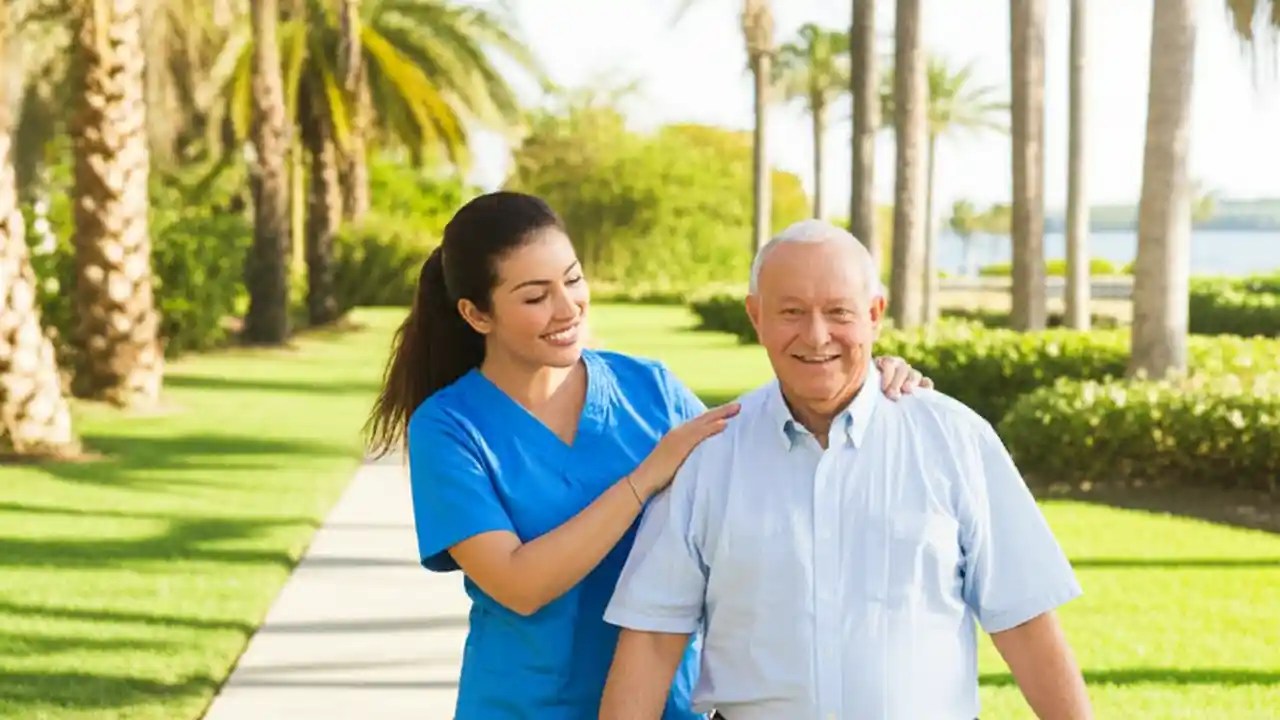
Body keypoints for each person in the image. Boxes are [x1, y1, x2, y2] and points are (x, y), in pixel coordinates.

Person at [363, 193, 935, 719]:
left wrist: (862, 385)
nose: (568, 309)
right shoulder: (450, 426)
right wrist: (644, 479)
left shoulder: (651, 388)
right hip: (521, 706)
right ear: (476, 315)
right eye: (536, 297)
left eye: (573, 281)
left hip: (667, 706)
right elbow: (519, 583)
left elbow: (769, 453)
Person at [599, 219, 1092, 720]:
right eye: (791, 312)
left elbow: (1025, 624)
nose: (816, 337)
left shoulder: (954, 439)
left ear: (875, 314)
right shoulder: (708, 457)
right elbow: (653, 639)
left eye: (838, 312)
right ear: (756, 316)